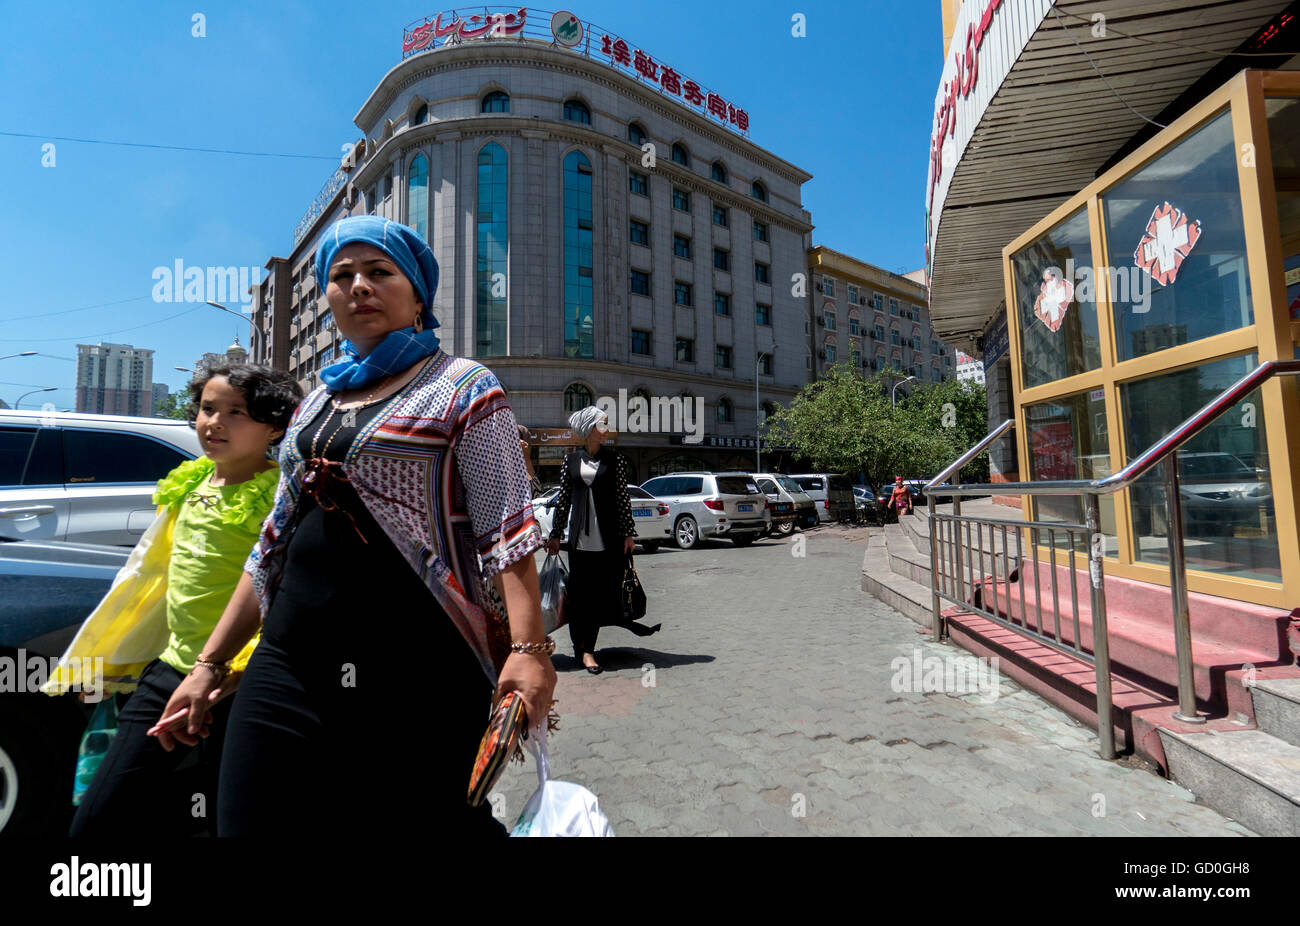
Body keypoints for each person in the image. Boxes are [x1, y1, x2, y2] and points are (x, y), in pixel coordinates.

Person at [148, 215, 553, 839]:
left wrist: (528, 653)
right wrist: (209, 665)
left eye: (379, 272)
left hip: (417, 663)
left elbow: (507, 527)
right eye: (342, 276)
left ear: (417, 294)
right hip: (289, 654)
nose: (359, 285)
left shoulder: (464, 387)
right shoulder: (318, 399)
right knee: (248, 823)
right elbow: (272, 545)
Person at [69, 363, 300, 836]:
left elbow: (282, 594)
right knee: (97, 816)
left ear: (275, 426)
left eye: (237, 412)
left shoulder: (282, 497)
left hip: (245, 681)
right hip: (171, 671)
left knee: (235, 815)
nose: (214, 422)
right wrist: (109, 658)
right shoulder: (190, 483)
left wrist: (229, 672)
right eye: (207, 409)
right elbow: (147, 577)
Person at [545, 407, 660, 675]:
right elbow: (563, 501)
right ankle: (579, 646)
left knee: (597, 597)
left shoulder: (615, 460)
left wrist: (629, 534)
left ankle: (588, 650)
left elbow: (622, 499)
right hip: (578, 542)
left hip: (607, 539)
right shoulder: (570, 461)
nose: (607, 429)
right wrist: (554, 534)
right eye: (603, 424)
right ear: (589, 429)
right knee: (578, 596)